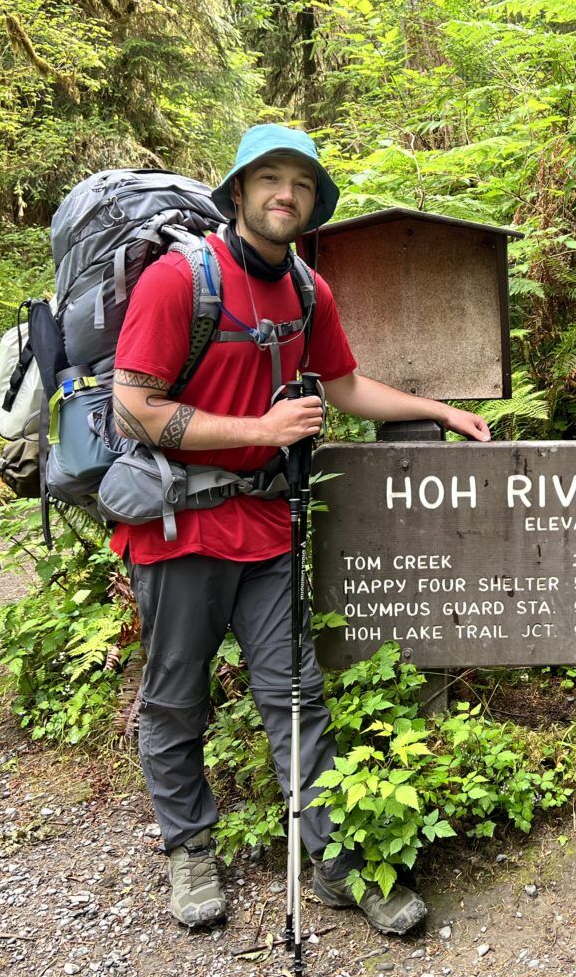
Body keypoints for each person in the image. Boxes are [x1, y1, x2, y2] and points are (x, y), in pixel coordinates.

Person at [109, 124, 491, 934]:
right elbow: (134, 408)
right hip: (180, 528)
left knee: (295, 697)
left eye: (303, 184)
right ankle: (188, 851)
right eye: (272, 178)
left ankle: (333, 859)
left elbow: (347, 384)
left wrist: (439, 410)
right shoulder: (182, 281)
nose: (287, 194)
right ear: (241, 189)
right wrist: (260, 429)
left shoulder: (309, 290)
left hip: (269, 524)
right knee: (176, 700)